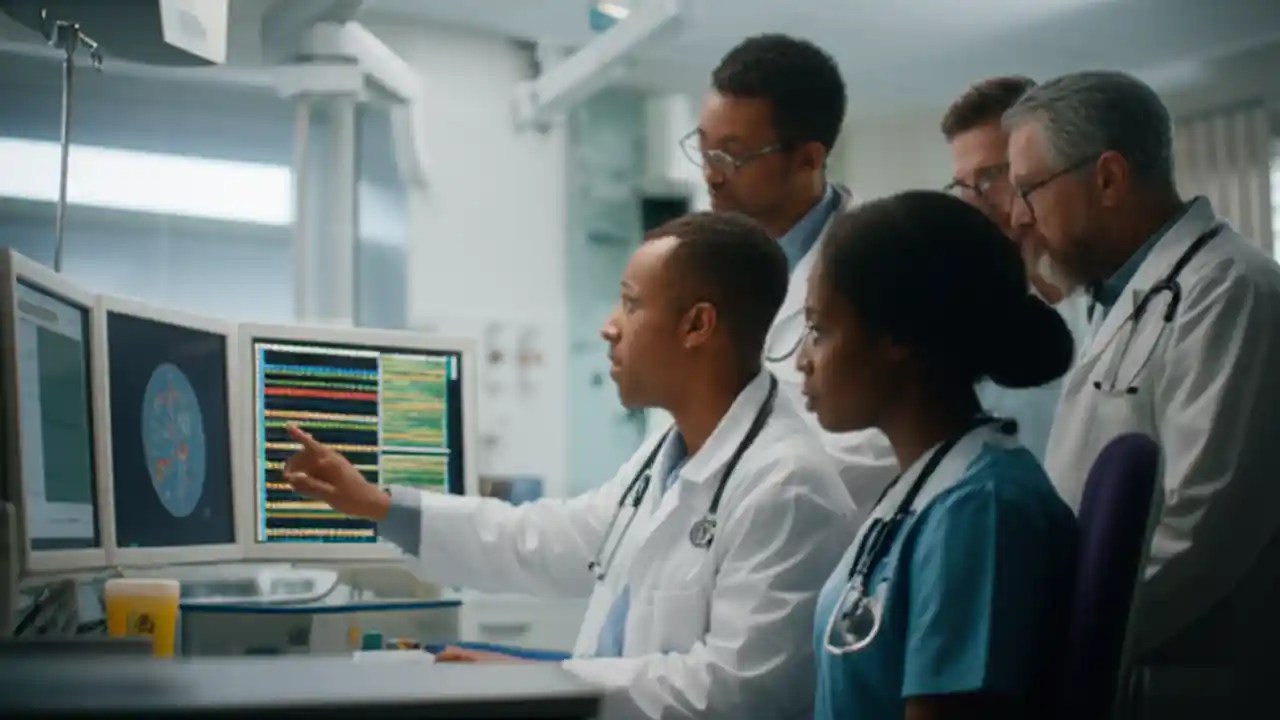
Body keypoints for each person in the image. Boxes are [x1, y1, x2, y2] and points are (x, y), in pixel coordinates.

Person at [283, 212, 856, 719]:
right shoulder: (672, 453)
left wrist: (544, 680)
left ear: (697, 326)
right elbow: (547, 538)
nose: (610, 327)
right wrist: (379, 506)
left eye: (631, 304)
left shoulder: (788, 487)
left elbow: (733, 692)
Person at [1005, 71, 1280, 688]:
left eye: (1030, 190)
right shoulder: (1115, 296)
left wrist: (1063, 644)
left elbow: (1199, 524)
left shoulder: (1231, 291)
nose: (1020, 217)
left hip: (1186, 675)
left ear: (1108, 178)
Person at [797, 191, 1078, 718]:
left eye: (819, 329)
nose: (801, 360)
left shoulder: (979, 510)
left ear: (898, 336)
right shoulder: (924, 488)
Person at [682, 33, 897, 515]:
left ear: (809, 159)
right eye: (704, 150)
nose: (711, 175)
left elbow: (868, 453)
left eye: (732, 156)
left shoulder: (881, 270)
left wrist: (724, 488)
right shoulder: (708, 267)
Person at [939, 75, 1087, 462]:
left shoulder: (1101, 305)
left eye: (991, 177)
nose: (975, 202)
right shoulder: (963, 314)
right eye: (962, 185)